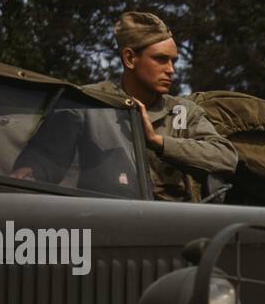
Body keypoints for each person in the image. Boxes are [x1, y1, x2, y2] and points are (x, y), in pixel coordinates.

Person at [13, 11, 237, 201]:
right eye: (161, 59)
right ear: (130, 58)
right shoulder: (87, 104)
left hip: (172, 227)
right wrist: (29, 174)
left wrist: (159, 143)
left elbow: (226, 157)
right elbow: (44, 159)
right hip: (109, 223)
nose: (171, 70)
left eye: (173, 61)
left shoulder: (183, 112)